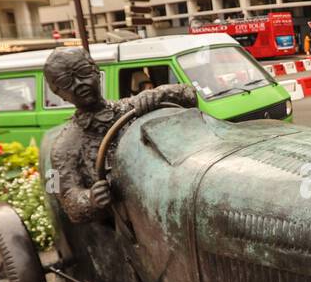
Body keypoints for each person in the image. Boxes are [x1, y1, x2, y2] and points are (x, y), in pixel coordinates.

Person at [43, 48, 196, 224]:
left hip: (166, 203)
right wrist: (90, 198)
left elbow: (190, 95)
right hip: (120, 227)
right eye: (66, 81)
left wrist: (159, 93)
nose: (79, 84)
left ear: (96, 72)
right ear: (58, 93)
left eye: (83, 72)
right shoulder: (63, 147)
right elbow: (69, 202)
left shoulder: (134, 107)